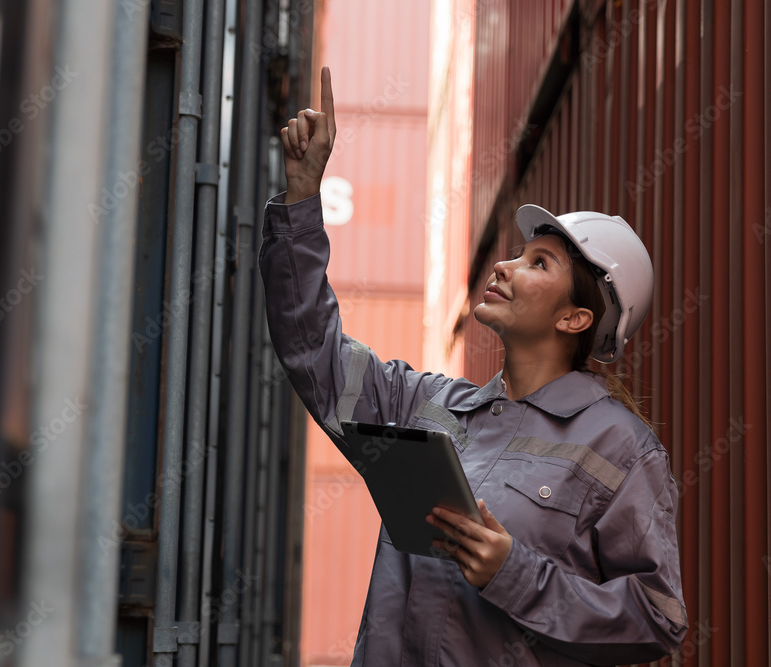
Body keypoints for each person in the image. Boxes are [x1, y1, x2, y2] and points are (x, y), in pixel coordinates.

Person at [261, 66, 687, 666]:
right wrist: (302, 202)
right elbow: (312, 346)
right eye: (516, 253)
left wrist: (515, 573)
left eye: (538, 263)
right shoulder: (424, 406)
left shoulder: (620, 449)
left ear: (575, 320)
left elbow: (656, 619)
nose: (506, 266)